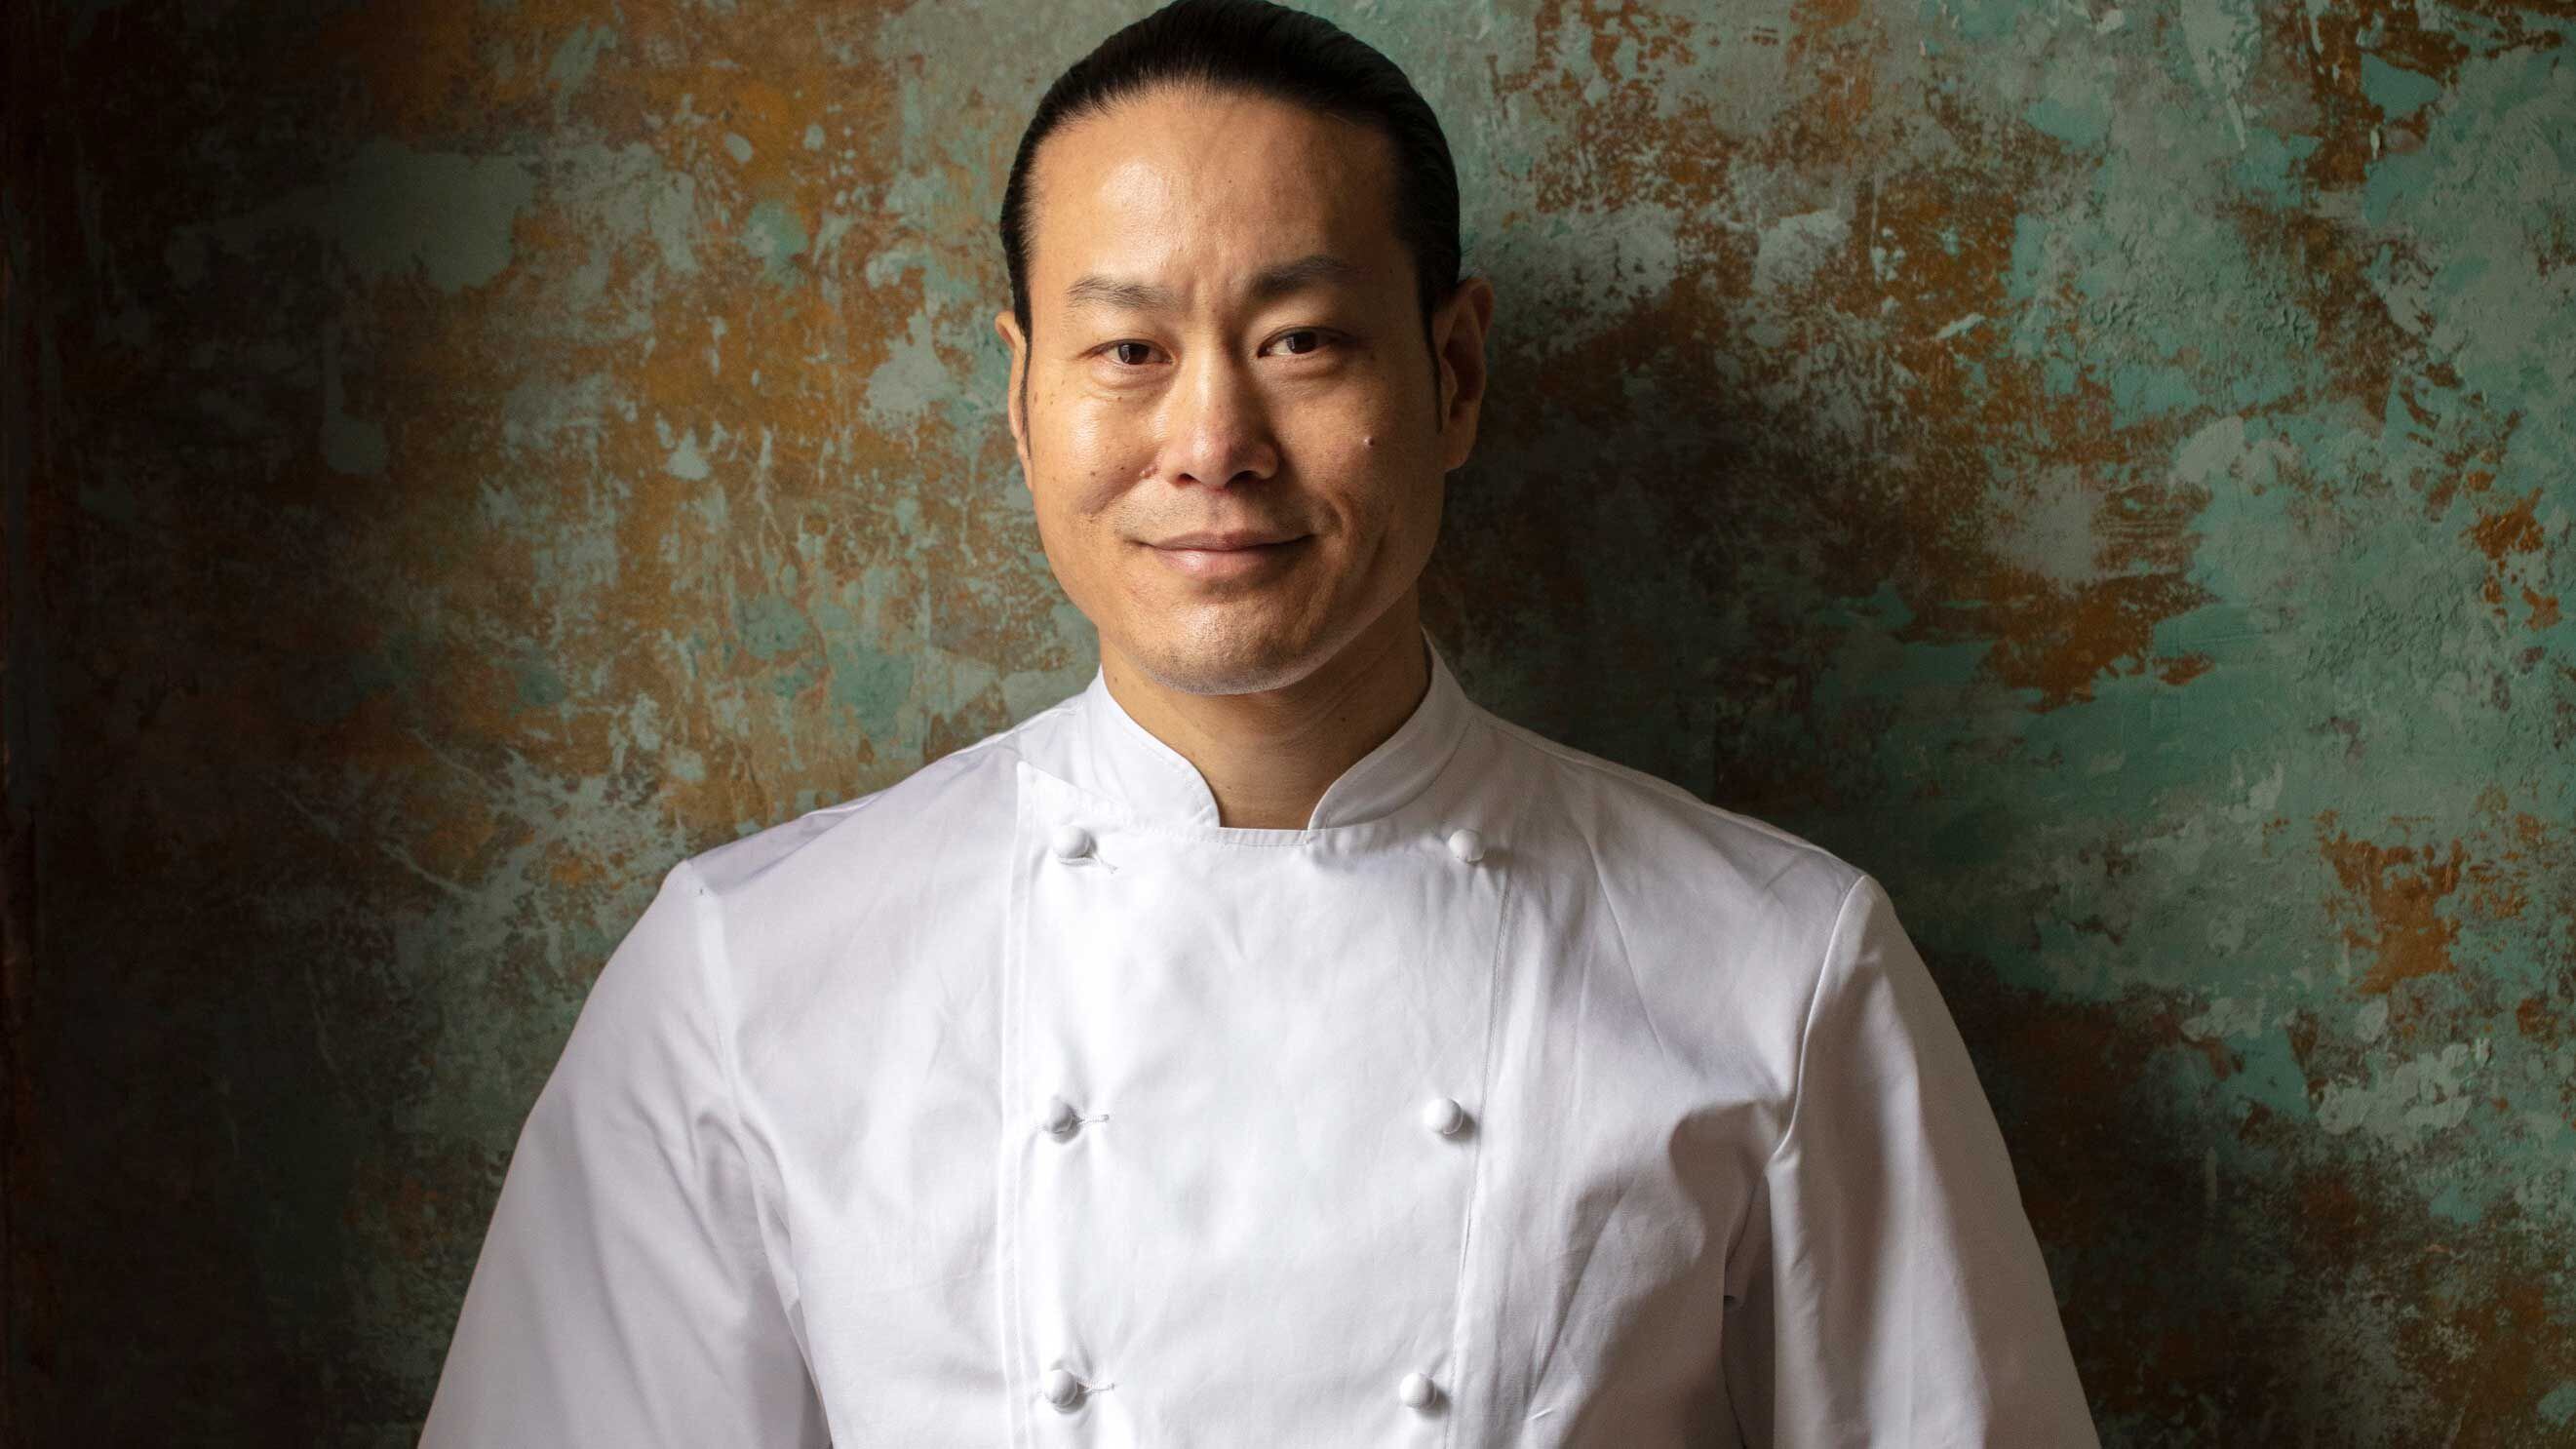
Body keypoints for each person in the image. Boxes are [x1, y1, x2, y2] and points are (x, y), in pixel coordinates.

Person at [419, 1, 2101, 1443]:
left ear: (1452, 375)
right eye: (1126, 349)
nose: (1212, 440)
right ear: (1020, 396)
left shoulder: (1778, 969)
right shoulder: (746, 972)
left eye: (1300, 340)